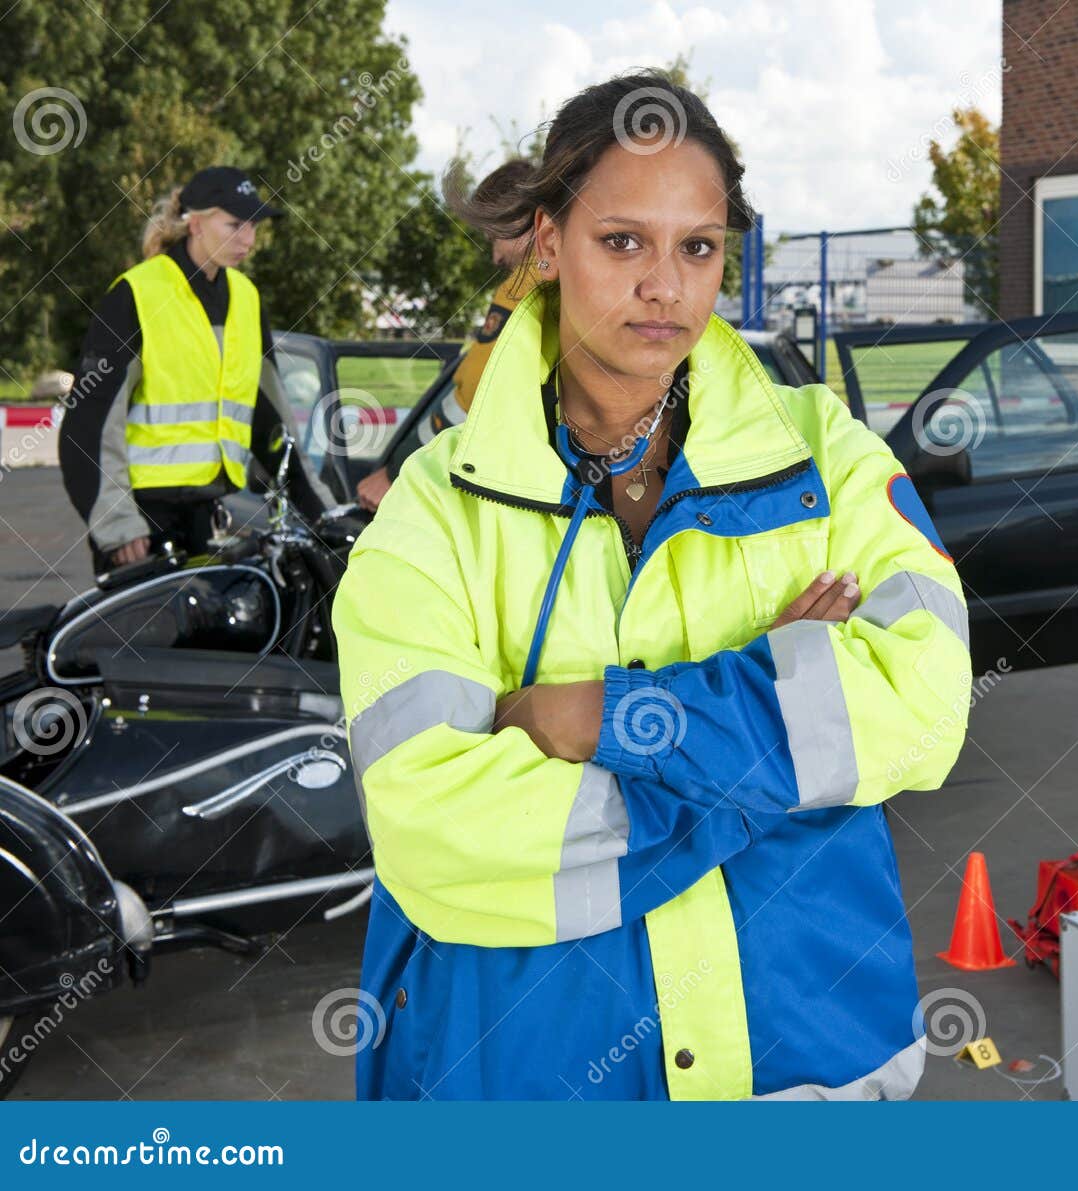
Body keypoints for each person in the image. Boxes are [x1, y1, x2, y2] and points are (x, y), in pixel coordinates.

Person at [332, 72, 973, 1100]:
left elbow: (925, 706)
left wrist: (608, 717)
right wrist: (770, 752)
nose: (665, 287)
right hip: (536, 1077)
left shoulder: (826, 456)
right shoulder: (434, 510)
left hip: (809, 1059)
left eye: (698, 247)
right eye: (621, 241)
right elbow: (426, 821)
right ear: (547, 243)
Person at [59, 166, 327, 572]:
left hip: (210, 519)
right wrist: (118, 526)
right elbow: (88, 423)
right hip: (142, 524)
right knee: (145, 638)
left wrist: (323, 512)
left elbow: (273, 425)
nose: (248, 240)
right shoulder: (137, 293)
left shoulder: (246, 298)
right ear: (196, 223)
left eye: (254, 226)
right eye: (235, 225)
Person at [354, 158, 540, 512]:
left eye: (493, 236)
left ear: (517, 218)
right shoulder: (573, 278)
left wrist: (398, 472)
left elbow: (470, 397)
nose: (495, 256)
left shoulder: (525, 286)